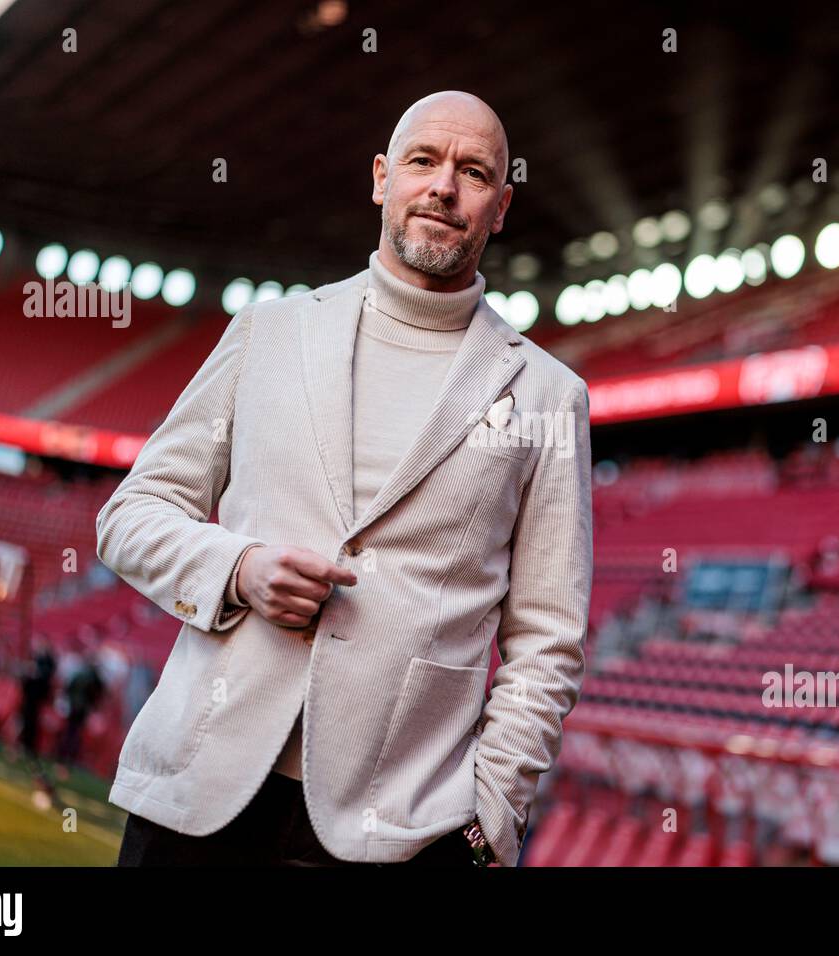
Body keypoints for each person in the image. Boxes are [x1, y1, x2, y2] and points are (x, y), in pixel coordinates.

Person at [97, 90, 593, 867]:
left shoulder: (547, 395)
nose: (443, 186)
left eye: (473, 172)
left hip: (394, 834)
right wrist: (239, 569)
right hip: (198, 797)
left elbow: (548, 639)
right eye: (423, 161)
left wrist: (493, 814)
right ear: (381, 178)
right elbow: (133, 513)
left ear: (501, 207)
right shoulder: (268, 331)